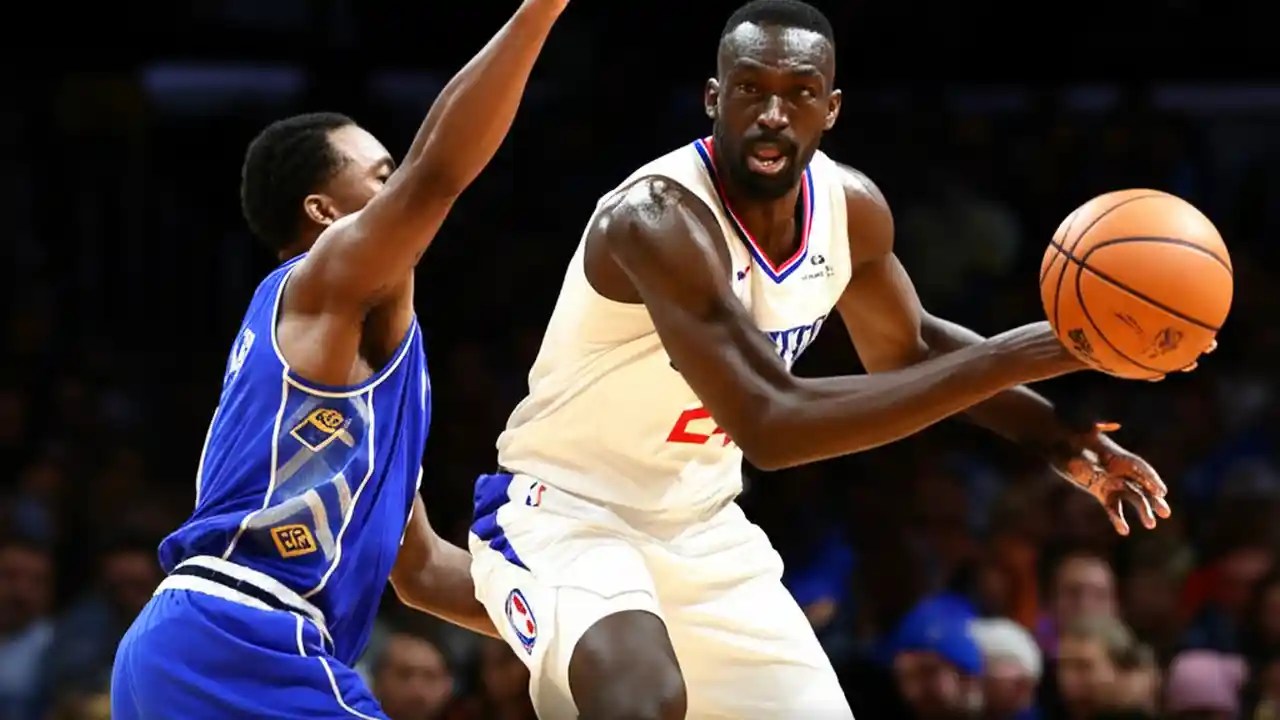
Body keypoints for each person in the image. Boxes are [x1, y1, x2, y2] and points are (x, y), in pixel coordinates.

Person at [470, 1, 1194, 718]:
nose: (773, 115)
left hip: (701, 526)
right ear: (713, 98)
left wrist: (1056, 438)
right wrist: (1047, 345)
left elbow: (907, 350)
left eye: (799, 94)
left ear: (832, 108)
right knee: (640, 700)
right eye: (751, 89)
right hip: (568, 512)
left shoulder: (850, 209)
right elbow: (771, 424)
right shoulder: (656, 218)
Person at [109, 1, 570, 717]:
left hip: (193, 641)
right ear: (325, 212)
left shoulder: (349, 364)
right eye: (381, 178)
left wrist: (580, 624)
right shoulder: (323, 278)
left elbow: (420, 571)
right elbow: (439, 172)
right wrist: (540, 12)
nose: (399, 195)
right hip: (246, 634)